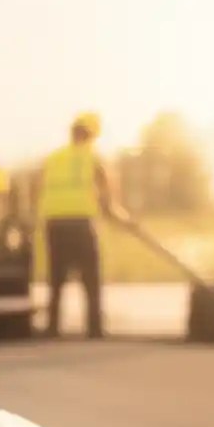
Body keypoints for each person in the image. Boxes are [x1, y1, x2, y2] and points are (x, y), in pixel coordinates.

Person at [36, 112, 127, 339]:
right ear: (92, 135)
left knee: (56, 278)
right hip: (80, 223)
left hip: (54, 223)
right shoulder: (93, 158)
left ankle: (52, 328)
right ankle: (94, 329)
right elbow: (107, 198)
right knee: (91, 277)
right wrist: (121, 217)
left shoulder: (54, 158)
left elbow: (37, 188)